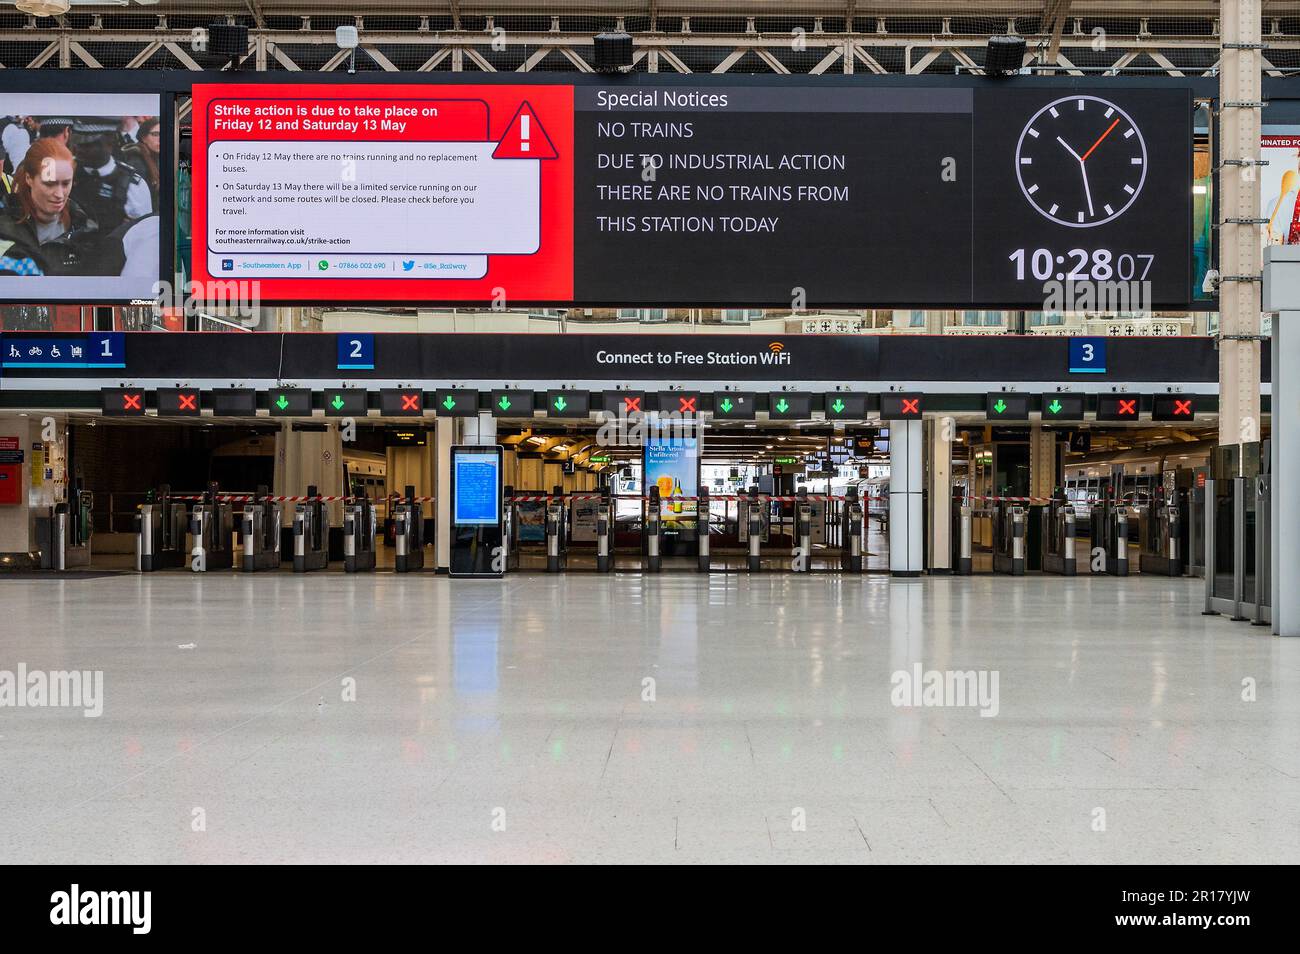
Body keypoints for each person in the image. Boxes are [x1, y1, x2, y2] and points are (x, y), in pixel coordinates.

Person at [0, 138, 122, 277]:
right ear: (29, 179)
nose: (59, 194)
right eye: (49, 184)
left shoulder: (87, 231)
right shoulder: (5, 233)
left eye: (65, 184)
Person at [69, 119, 150, 236]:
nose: (80, 150)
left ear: (110, 143)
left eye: (89, 145)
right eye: (78, 143)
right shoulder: (66, 174)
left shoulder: (132, 185)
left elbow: (143, 236)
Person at [121, 117, 160, 212]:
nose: (160, 139)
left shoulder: (156, 157)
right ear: (143, 138)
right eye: (155, 134)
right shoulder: (137, 163)